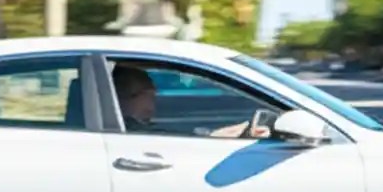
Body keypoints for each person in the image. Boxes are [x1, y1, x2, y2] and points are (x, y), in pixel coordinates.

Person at [112, 65, 270, 138]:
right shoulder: (129, 134)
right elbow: (168, 144)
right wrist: (213, 138)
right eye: (149, 93)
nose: (154, 101)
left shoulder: (128, 128)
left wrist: (215, 135)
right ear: (124, 96)